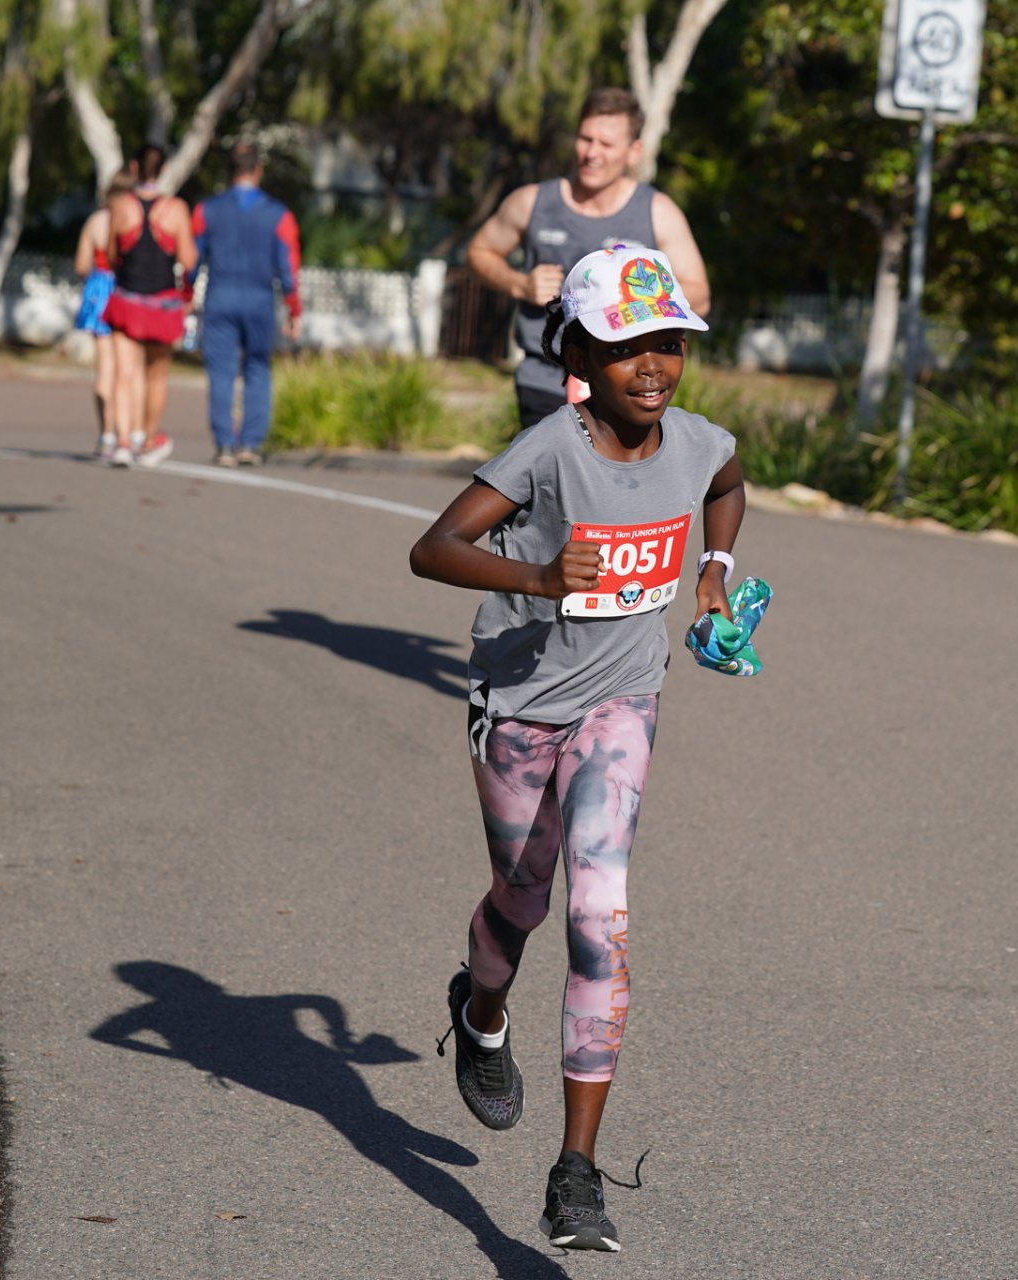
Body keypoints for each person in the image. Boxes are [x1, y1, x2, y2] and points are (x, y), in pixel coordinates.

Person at [408, 244, 746, 1253]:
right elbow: (433, 547)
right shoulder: (550, 448)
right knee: (522, 893)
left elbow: (728, 479)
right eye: (628, 344)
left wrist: (715, 574)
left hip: (622, 702)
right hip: (517, 702)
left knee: (600, 911)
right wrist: (545, 578)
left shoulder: (694, 441)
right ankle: (480, 1009)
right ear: (584, 353)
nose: (654, 364)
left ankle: (576, 1172)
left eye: (669, 343)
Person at [466, 87, 712, 429]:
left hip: (628, 384)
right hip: (546, 380)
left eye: (606, 144)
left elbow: (700, 296)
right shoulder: (533, 202)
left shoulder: (658, 212)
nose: (592, 153)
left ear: (633, 151)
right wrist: (519, 283)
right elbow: (479, 252)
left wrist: (641, 297)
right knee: (554, 481)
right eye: (585, 139)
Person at [192, 141, 303, 467]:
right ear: (258, 169)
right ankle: (249, 445)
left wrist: (186, 296)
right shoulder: (279, 215)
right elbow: (288, 266)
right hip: (259, 300)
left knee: (221, 372)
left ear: (229, 170)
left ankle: (225, 444)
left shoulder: (207, 210)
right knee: (257, 368)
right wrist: (294, 309)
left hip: (220, 298)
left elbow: (191, 259)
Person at [102, 143, 196, 468]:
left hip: (126, 300)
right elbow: (188, 258)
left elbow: (113, 253)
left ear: (134, 168)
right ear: (165, 170)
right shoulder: (177, 209)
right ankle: (148, 438)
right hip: (163, 305)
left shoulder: (119, 206)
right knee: (156, 377)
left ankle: (124, 442)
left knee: (123, 375)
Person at [73, 170, 133, 462]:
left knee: (104, 368)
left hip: (98, 291)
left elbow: (82, 265)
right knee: (126, 368)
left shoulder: (95, 221)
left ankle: (106, 434)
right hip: (123, 290)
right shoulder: (132, 219)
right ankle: (127, 433)